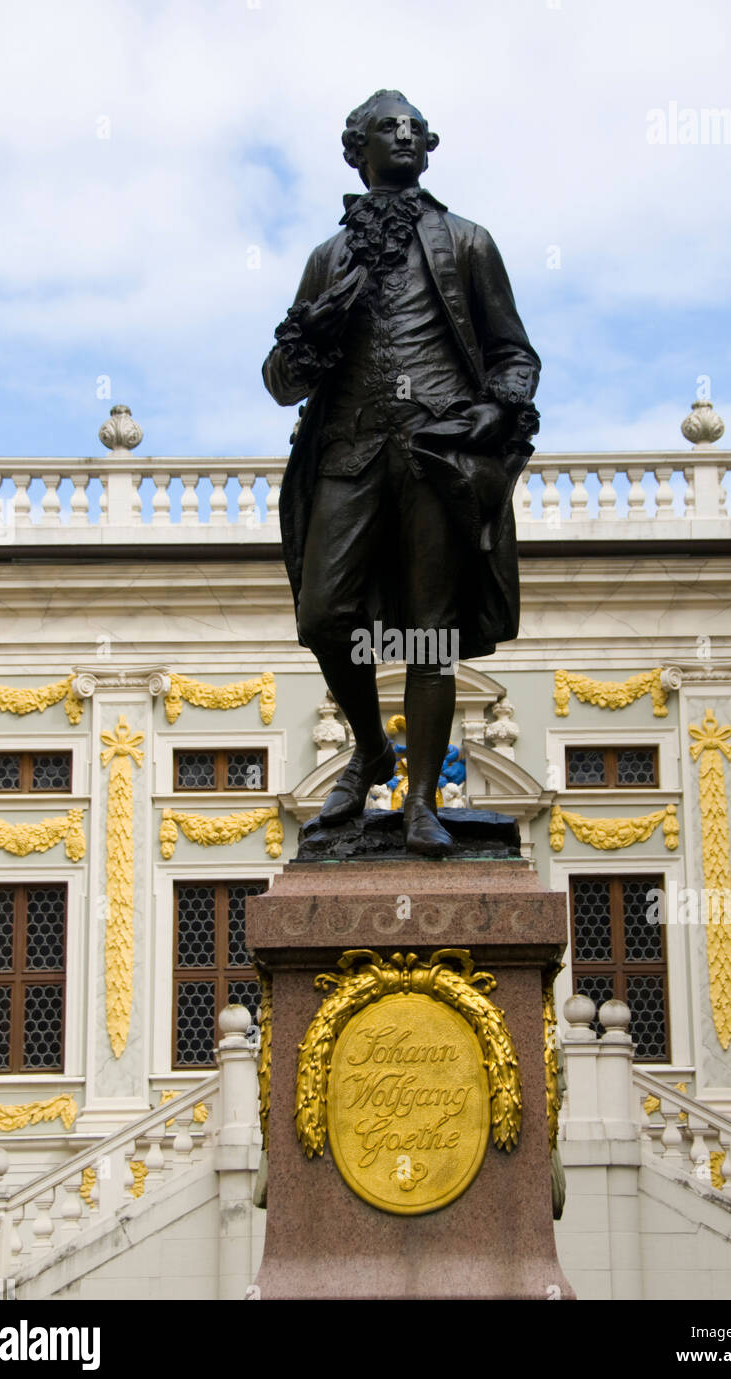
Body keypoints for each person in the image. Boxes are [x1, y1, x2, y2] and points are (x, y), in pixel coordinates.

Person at [263, 89, 540, 855]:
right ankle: (371, 747)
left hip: (433, 452)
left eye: (416, 127)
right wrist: (303, 342)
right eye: (388, 127)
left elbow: (515, 353)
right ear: (358, 150)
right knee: (322, 615)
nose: (405, 135)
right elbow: (283, 380)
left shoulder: (469, 242)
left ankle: (420, 799)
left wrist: (494, 409)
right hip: (349, 452)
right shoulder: (329, 258)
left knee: (429, 634)